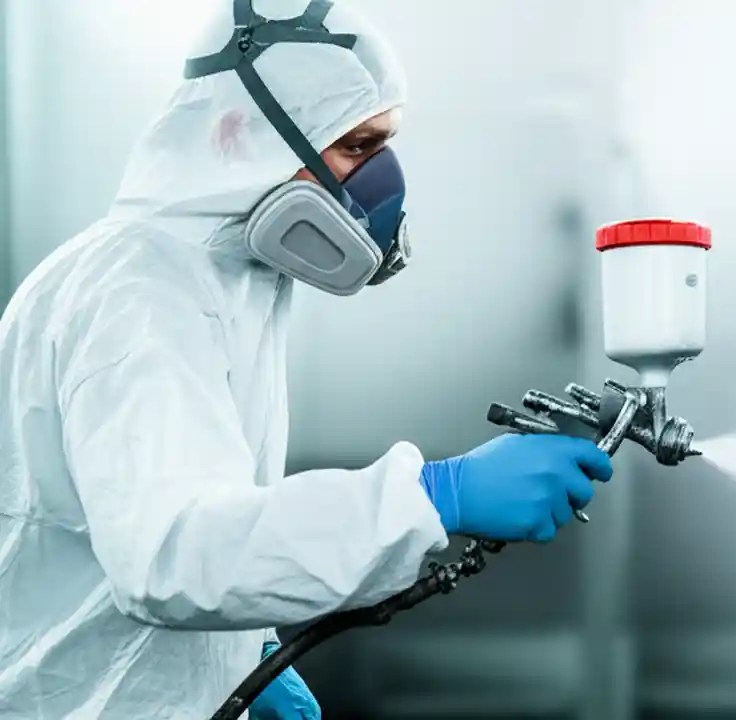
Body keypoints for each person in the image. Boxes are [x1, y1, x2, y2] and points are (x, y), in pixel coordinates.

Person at [0, 0, 612, 717]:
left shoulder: (228, 280)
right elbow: (173, 555)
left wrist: (248, 649)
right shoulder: (141, 292)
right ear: (237, 135)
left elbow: (199, 501)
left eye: (384, 146)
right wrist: (437, 495)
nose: (378, 184)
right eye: (356, 147)